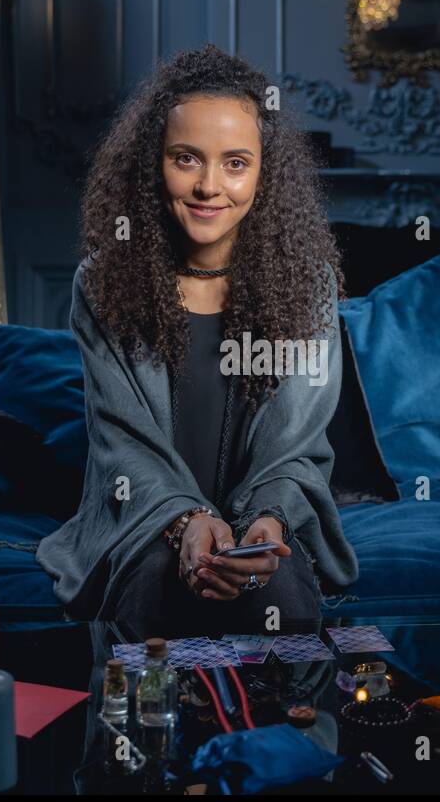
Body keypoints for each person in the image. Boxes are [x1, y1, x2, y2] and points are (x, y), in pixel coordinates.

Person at [35, 44, 359, 641]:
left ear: (266, 174)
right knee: (154, 583)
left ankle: (282, 737)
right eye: (187, 158)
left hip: (260, 512)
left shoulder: (307, 286)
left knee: (280, 592)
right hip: (144, 518)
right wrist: (186, 520)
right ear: (151, 163)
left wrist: (269, 519)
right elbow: (121, 441)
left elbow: (296, 446)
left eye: (236, 163)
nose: (210, 186)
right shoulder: (103, 285)